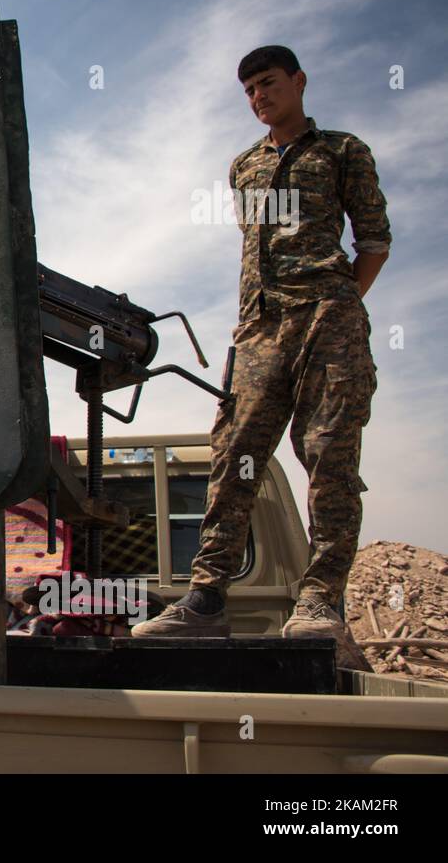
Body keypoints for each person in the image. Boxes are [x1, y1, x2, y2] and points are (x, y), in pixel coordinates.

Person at [132, 45, 390, 671]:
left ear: (299, 81)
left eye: (268, 84)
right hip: (257, 332)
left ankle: (322, 602)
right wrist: (263, 324)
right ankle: (205, 600)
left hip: (328, 317)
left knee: (329, 456)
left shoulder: (342, 151)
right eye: (248, 90)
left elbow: (374, 242)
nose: (258, 98)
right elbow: (255, 251)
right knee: (234, 457)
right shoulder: (243, 166)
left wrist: (333, 304)